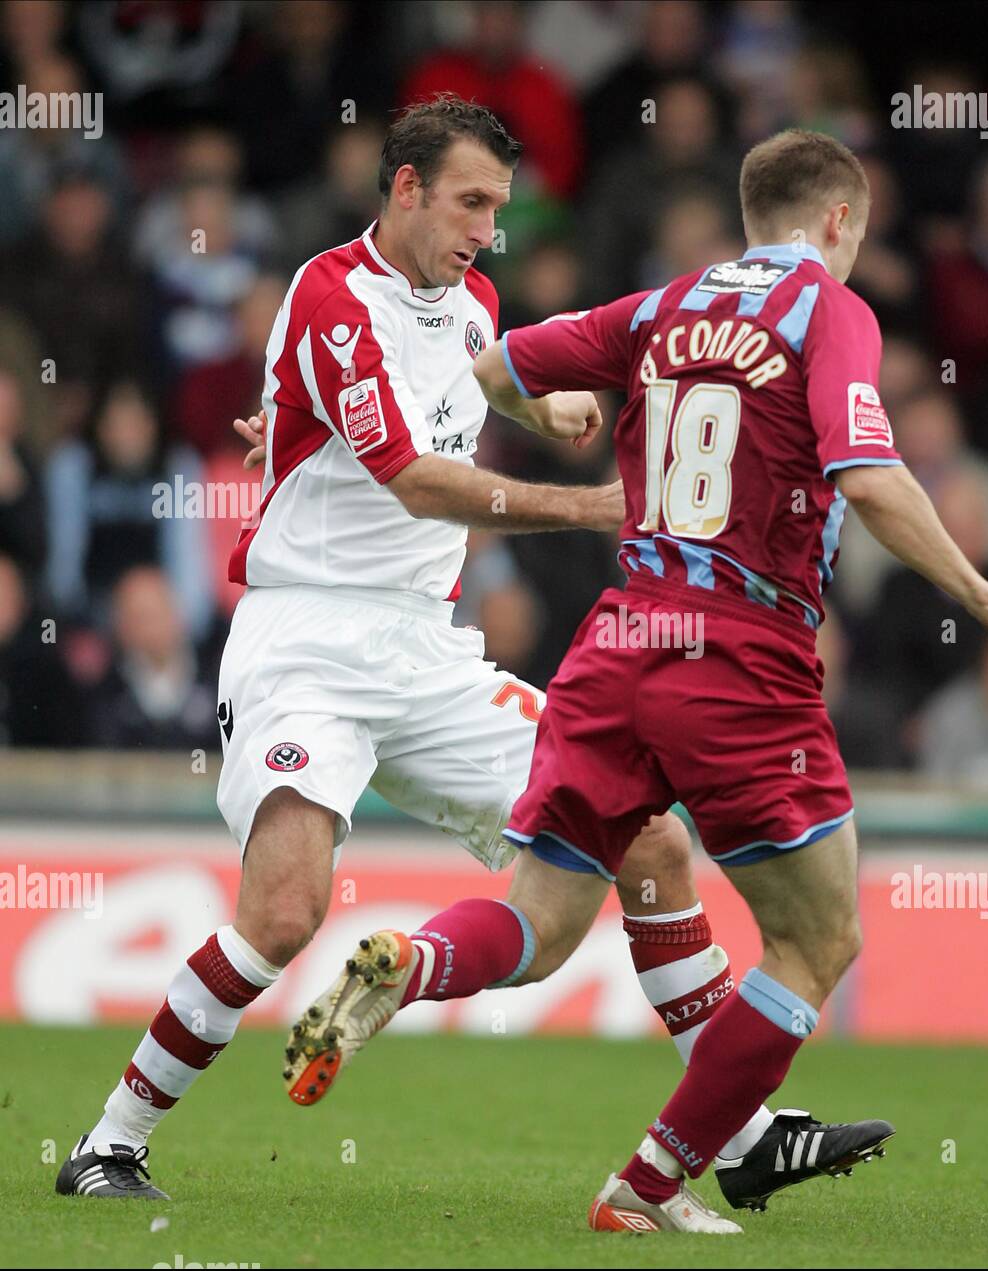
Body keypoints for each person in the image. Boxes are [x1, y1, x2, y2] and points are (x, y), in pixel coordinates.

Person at [56, 97, 883, 1213]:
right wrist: (590, 504)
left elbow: (468, 396)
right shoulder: (329, 290)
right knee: (287, 909)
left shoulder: (475, 300)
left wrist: (551, 416)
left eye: (497, 207)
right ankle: (109, 1142)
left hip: (427, 646)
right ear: (404, 189)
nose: (486, 230)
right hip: (307, 636)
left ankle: (738, 1133)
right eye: (468, 202)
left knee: (651, 846)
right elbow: (409, 473)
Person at [292, 127, 988, 1233]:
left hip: (618, 638)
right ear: (839, 222)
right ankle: (644, 1186)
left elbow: (491, 370)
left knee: (540, 924)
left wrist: (547, 416)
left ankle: (413, 960)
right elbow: (870, 478)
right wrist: (980, 593)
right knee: (818, 941)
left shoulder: (662, 304)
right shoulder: (829, 310)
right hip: (739, 653)